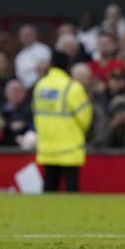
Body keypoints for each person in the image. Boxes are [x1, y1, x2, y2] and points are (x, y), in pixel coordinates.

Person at [31, 51, 92, 191]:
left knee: (49, 192)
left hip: (47, 147)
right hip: (70, 148)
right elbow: (85, 119)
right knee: (72, 192)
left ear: (51, 64)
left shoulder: (40, 85)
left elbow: (35, 113)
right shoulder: (73, 87)